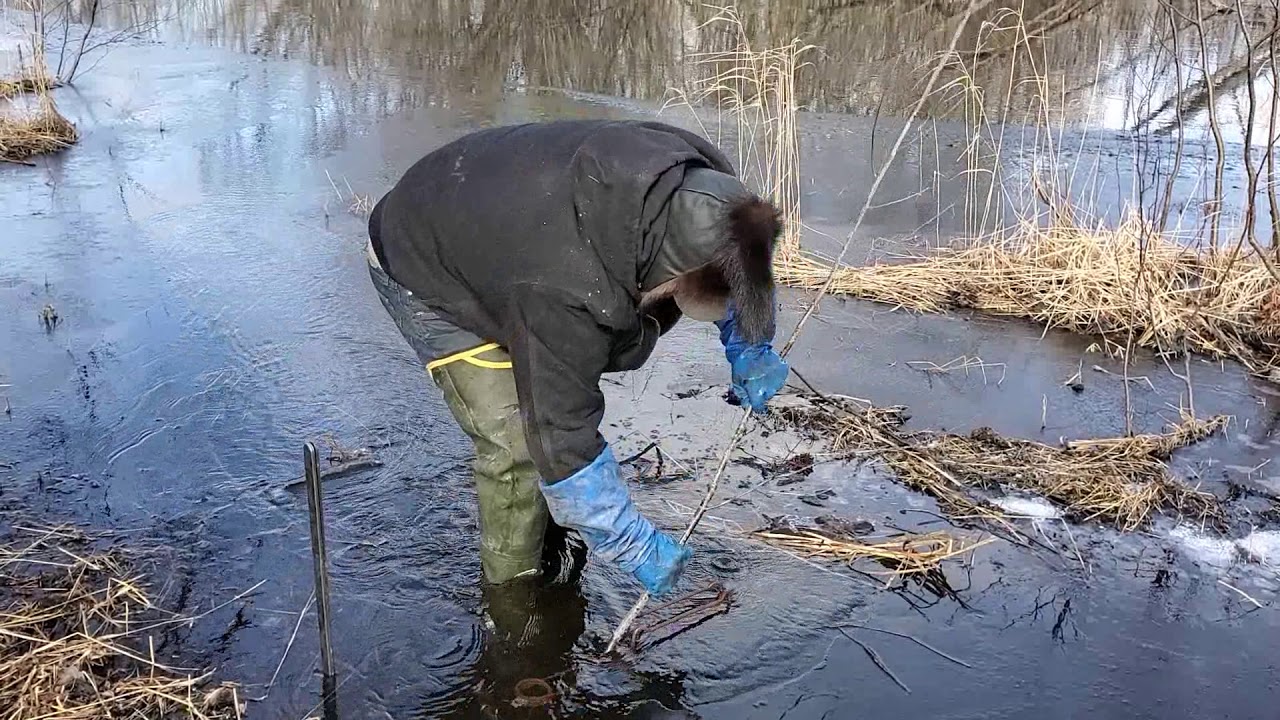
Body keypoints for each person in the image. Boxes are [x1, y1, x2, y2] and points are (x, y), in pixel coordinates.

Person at [366, 119, 789, 597]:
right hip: (420, 257)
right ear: (669, 272)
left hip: (501, 226)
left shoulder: (713, 192)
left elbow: (734, 267)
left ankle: (552, 531)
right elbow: (559, 429)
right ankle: (512, 593)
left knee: (547, 383)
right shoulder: (567, 288)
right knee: (517, 446)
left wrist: (750, 341)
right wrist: (630, 541)